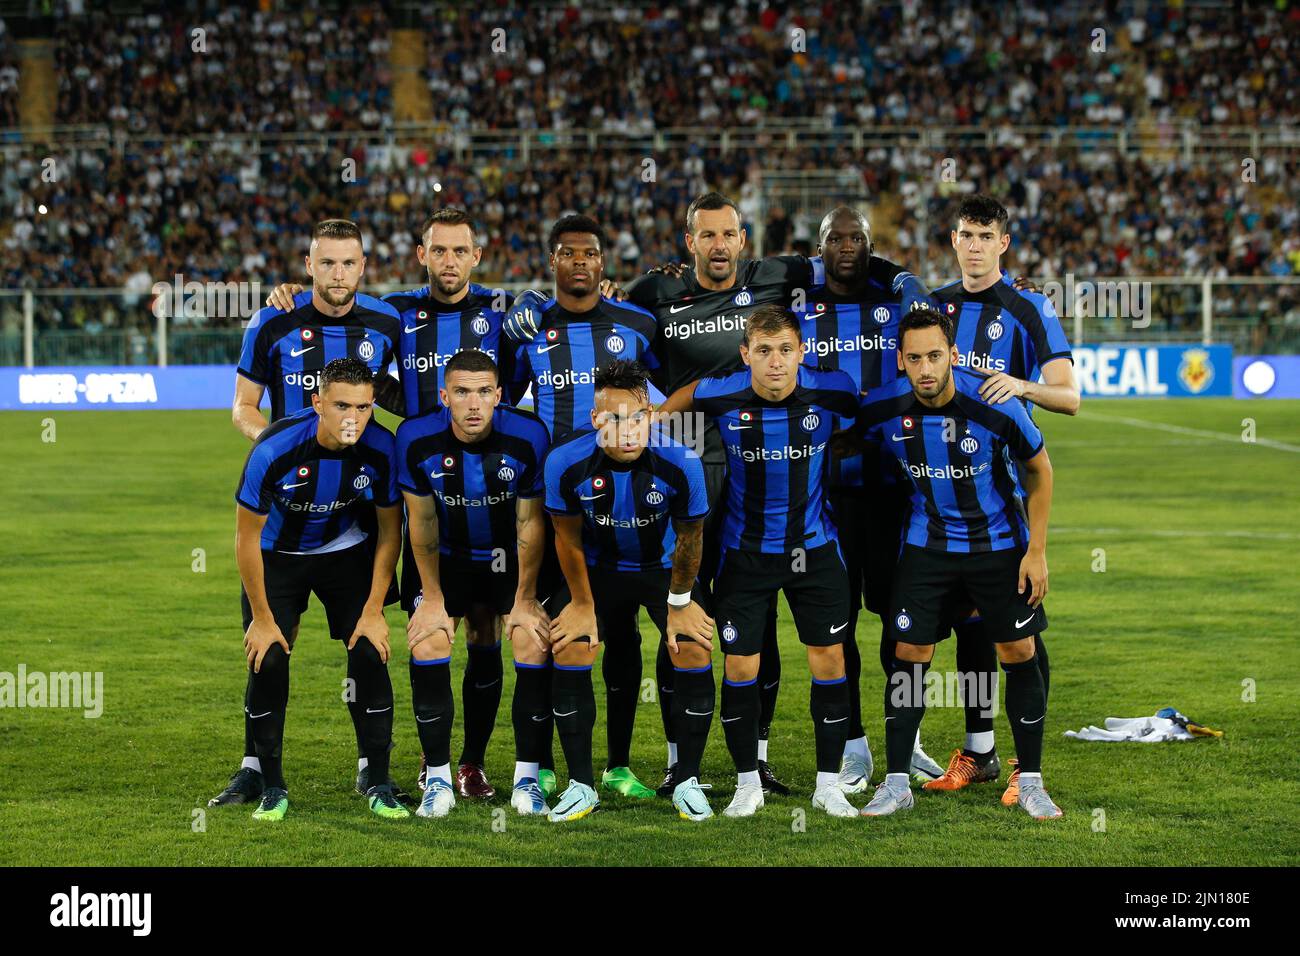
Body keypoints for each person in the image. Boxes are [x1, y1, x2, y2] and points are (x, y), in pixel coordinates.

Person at [212, 219, 404, 808]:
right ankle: (255, 770)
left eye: (349, 264)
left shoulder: (388, 323)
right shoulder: (273, 319)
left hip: (351, 525)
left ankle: (376, 772)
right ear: (309, 264)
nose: (338, 275)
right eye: (327, 264)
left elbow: (408, 394)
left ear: (364, 266)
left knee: (367, 648)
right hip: (282, 516)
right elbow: (243, 405)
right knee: (267, 644)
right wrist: (276, 445)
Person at [855, 305, 1062, 820]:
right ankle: (897, 781)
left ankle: (1031, 780)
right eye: (914, 358)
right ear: (900, 361)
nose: (925, 369)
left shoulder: (994, 403)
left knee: (1018, 651)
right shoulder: (883, 408)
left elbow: (1039, 470)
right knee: (909, 652)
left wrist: (1036, 551)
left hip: (998, 547)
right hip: (928, 547)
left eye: (934, 356)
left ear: (951, 355)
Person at [656, 304, 861, 819]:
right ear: (746, 354)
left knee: (830, 662)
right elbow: (681, 399)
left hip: (815, 552)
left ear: (802, 352)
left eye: (786, 351)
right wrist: (653, 426)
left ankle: (828, 784)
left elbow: (865, 421)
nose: (775, 363)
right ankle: (748, 783)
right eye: (764, 351)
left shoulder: (832, 390)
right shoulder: (720, 392)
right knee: (741, 668)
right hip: (744, 555)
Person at [924, 194, 1078, 802]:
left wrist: (1020, 385)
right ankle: (979, 753)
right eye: (965, 234)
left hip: (1005, 499)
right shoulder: (934, 307)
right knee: (968, 631)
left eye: (986, 235)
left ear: (1004, 243)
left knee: (1020, 632)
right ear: (954, 239)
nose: (974, 245)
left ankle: (1025, 763)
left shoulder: (1028, 307)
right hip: (942, 501)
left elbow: (1069, 396)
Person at [233, 358, 406, 821]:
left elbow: (391, 533)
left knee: (370, 652)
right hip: (277, 557)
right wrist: (264, 620)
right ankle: (271, 786)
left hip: (344, 552)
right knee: (267, 658)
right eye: (342, 405)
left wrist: (374, 609)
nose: (354, 417)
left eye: (365, 407)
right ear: (317, 404)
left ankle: (378, 778)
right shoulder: (274, 449)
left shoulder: (381, 448)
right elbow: (246, 538)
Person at [542, 360, 714, 821]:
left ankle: (687, 780)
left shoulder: (682, 461)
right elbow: (567, 538)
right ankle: (581, 786)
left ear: (651, 416)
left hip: (662, 570)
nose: (627, 430)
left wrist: (679, 605)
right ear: (597, 419)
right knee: (572, 646)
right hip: (596, 571)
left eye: (637, 417)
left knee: (694, 647)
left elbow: (690, 541)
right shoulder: (565, 461)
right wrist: (581, 604)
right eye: (615, 419)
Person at [396, 349, 551, 817]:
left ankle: (519, 778)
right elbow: (419, 522)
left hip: (508, 563)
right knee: (429, 641)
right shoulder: (415, 437)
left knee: (528, 641)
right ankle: (438, 779)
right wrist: (433, 597)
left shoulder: (528, 436)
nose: (473, 404)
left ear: (500, 395)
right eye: (461, 392)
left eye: (484, 392)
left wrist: (523, 599)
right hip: (444, 561)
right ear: (444, 395)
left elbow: (530, 523)